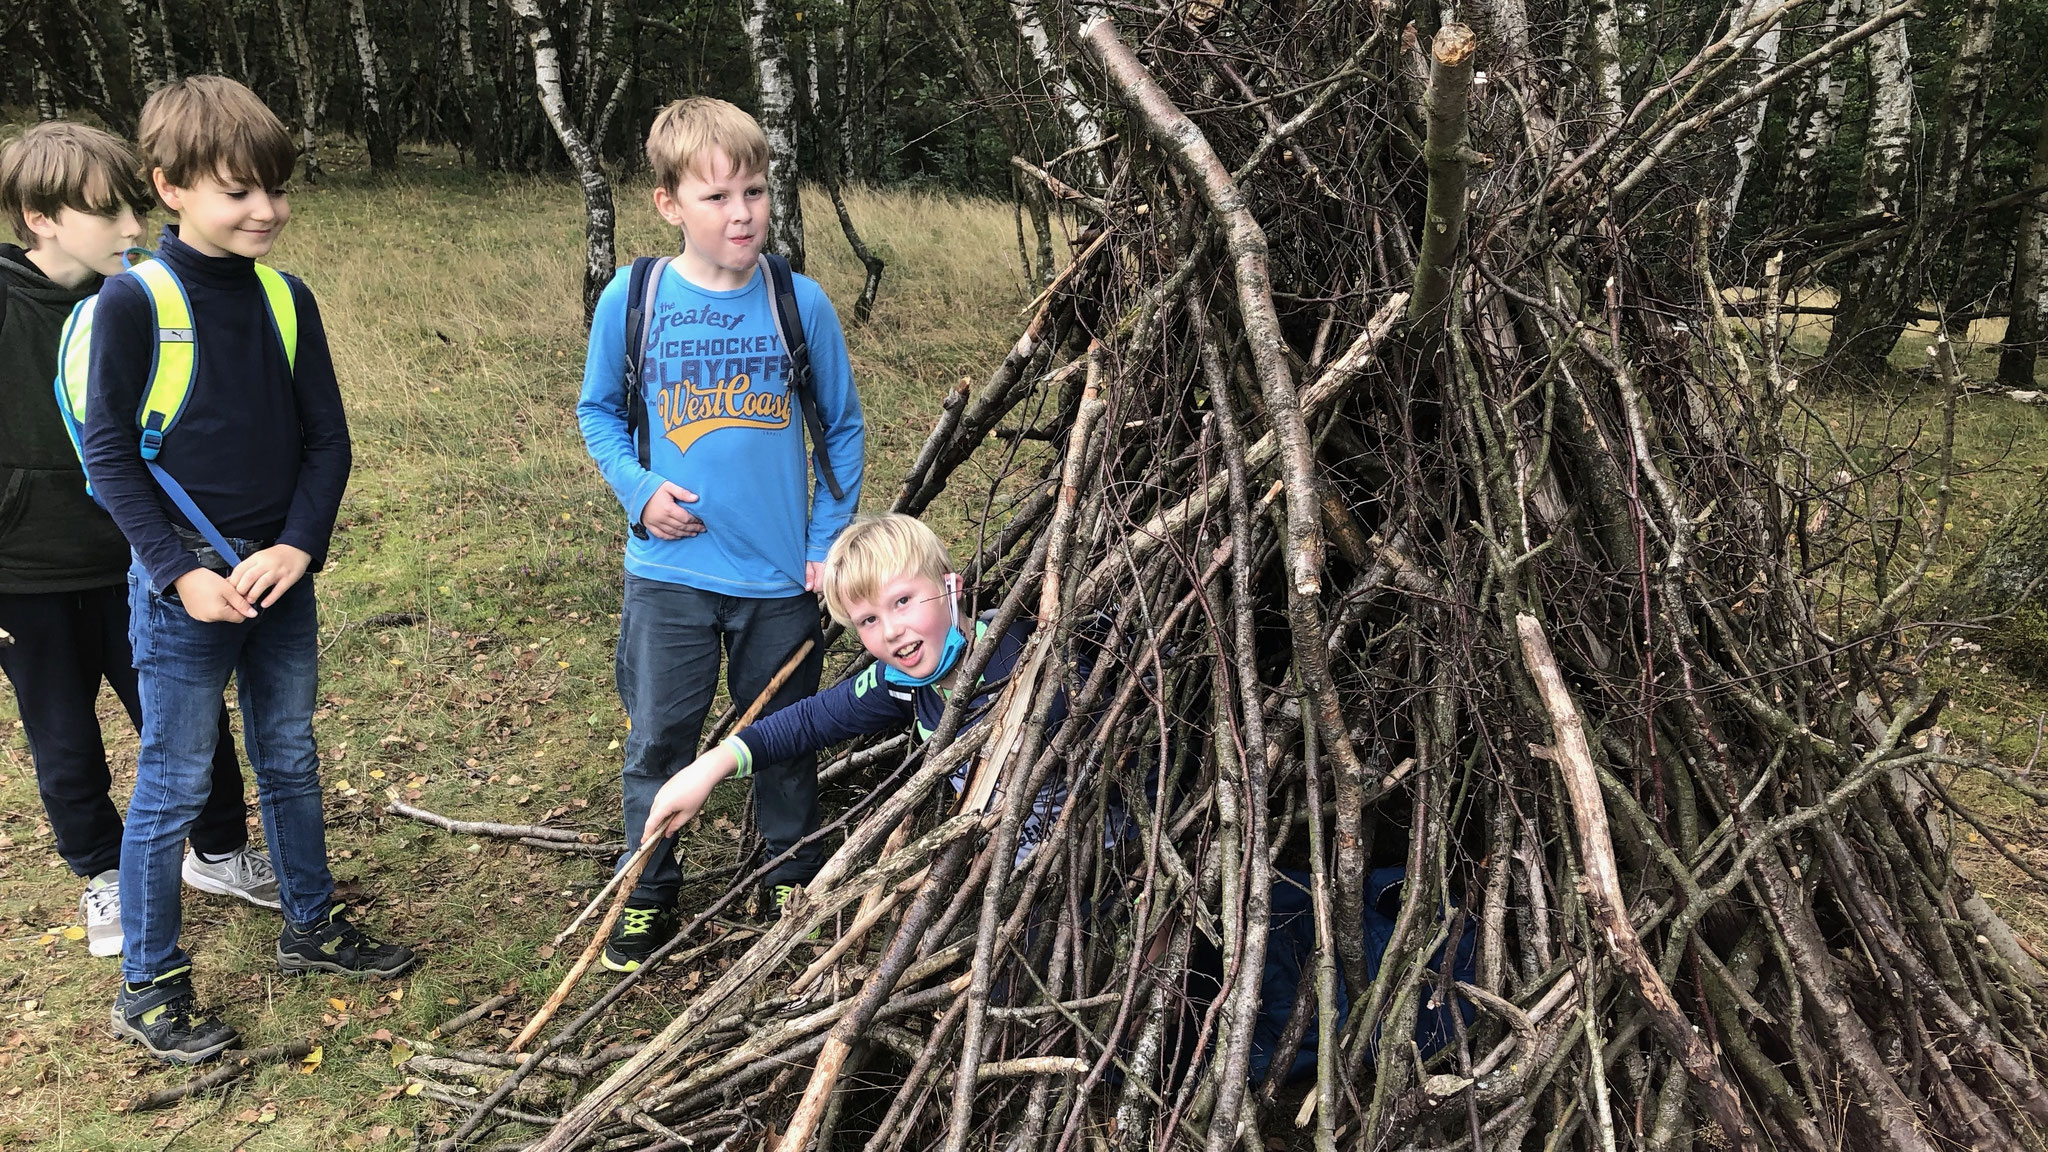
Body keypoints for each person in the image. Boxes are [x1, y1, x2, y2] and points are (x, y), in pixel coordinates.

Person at [80, 76, 413, 1065]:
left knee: (291, 760)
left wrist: (296, 548)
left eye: (274, 187)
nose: (264, 209)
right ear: (169, 185)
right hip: (186, 600)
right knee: (174, 788)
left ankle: (311, 925)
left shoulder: (286, 298)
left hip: (280, 586)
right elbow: (109, 453)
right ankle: (150, 983)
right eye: (237, 190)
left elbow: (327, 441)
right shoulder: (135, 301)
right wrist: (181, 573)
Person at [578, 97, 865, 974]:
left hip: (780, 578)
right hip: (668, 573)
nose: (742, 214)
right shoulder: (635, 298)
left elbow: (842, 430)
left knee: (782, 732)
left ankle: (787, 869)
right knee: (659, 738)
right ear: (669, 204)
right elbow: (597, 414)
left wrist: (827, 538)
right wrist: (638, 491)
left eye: (755, 191)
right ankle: (648, 889)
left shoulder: (796, 300)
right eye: (717, 198)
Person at [0, 122, 279, 965]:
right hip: (25, 576)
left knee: (188, 717)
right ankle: (100, 871)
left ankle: (220, 850)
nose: (130, 227)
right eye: (103, 211)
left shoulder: (144, 298)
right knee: (61, 731)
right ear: (38, 216)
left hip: (143, 560)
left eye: (131, 206)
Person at [641, 514, 1069, 861]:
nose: (892, 631)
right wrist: (708, 768)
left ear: (950, 587)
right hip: (1023, 859)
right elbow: (808, 721)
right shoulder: (901, 682)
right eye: (868, 620)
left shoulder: (1021, 657)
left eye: (902, 601)